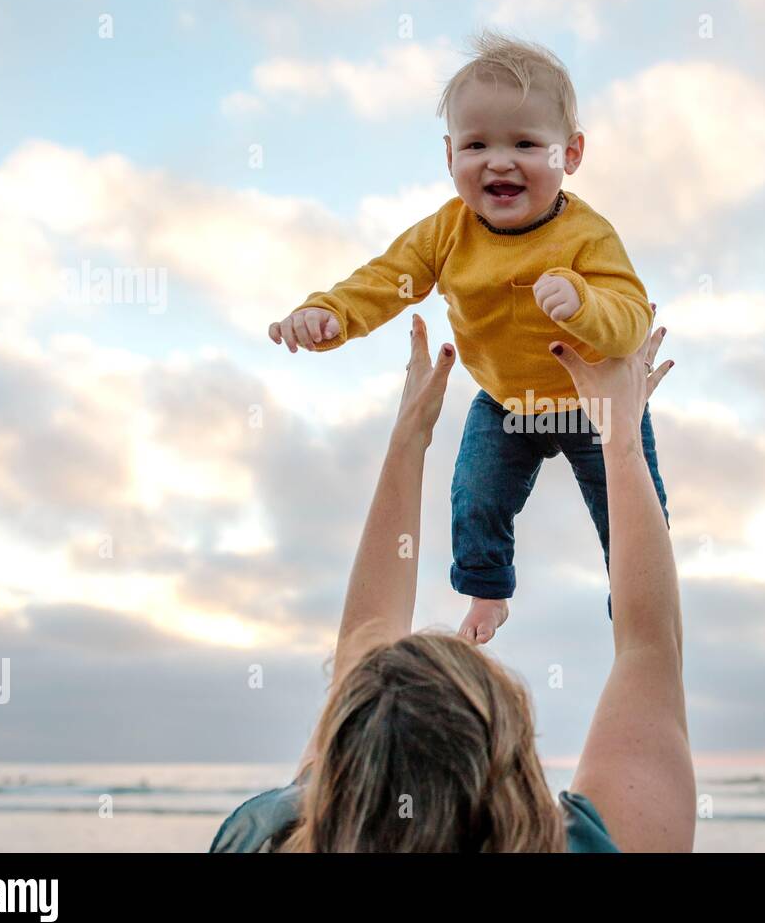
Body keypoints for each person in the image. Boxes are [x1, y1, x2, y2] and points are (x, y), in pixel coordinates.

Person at [211, 311, 692, 851]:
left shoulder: (275, 839)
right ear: (516, 773)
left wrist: (407, 440)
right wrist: (622, 435)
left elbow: (649, 649)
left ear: (340, 772)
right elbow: (651, 644)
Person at [267, 29, 669, 643]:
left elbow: (632, 315)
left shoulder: (587, 236)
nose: (499, 160)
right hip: (506, 401)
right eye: (476, 143)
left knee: (632, 514)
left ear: (572, 153)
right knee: (476, 494)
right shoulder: (446, 232)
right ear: (449, 154)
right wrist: (330, 314)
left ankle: (638, 611)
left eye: (526, 143)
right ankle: (487, 592)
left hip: (594, 403)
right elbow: (385, 280)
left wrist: (586, 307)